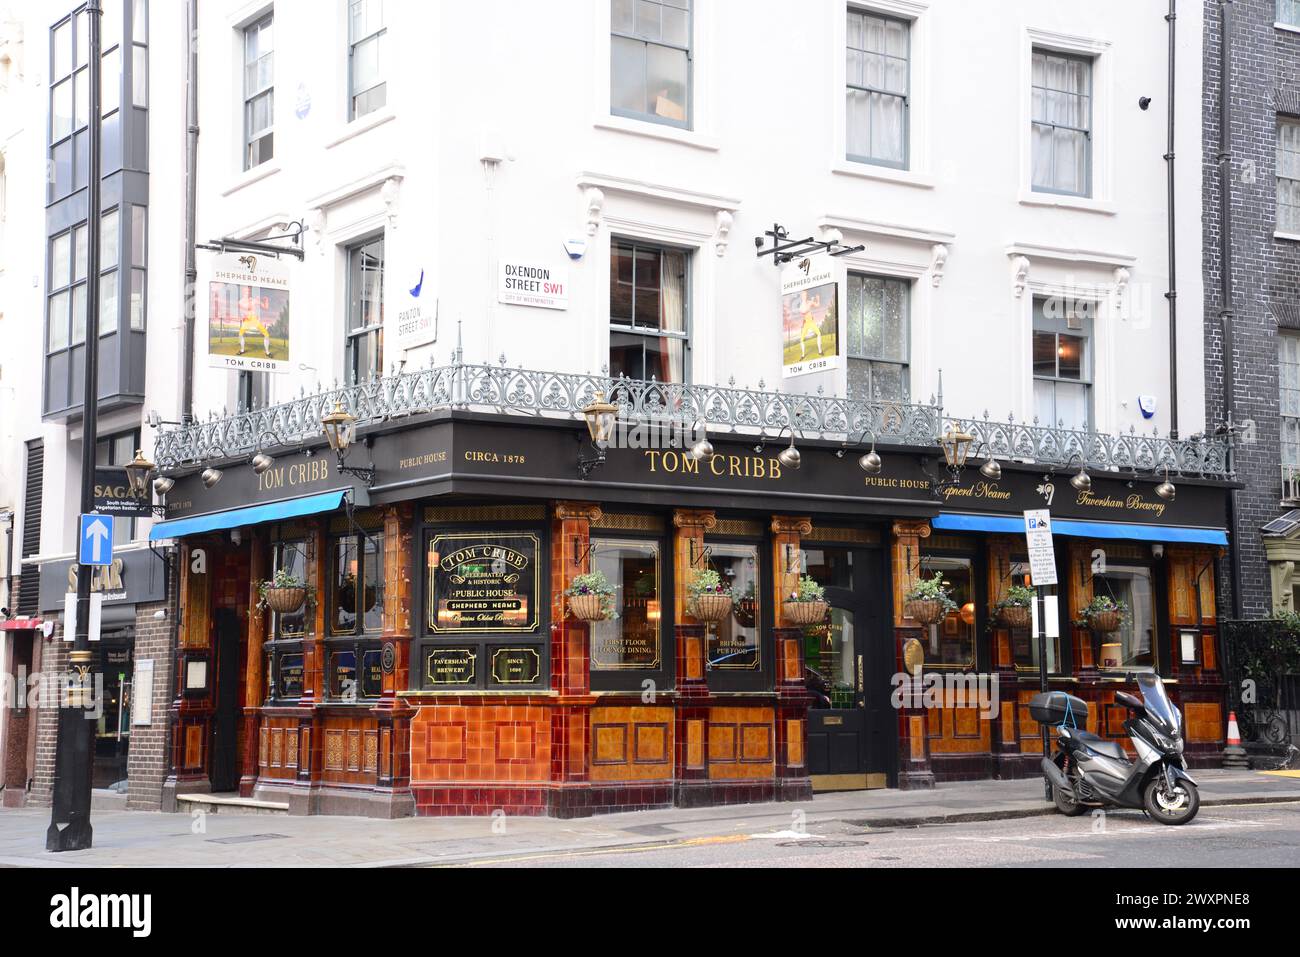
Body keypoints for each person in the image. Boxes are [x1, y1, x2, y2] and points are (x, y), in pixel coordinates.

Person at [797, 289, 823, 359]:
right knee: (801, 339)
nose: (805, 296)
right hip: (806, 323)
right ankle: (802, 355)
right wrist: (810, 303)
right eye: (803, 295)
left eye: (806, 294)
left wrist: (818, 299)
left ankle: (820, 351)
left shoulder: (809, 302)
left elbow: (817, 305)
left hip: (811, 322)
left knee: (819, 334)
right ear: (802, 296)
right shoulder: (801, 306)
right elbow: (803, 311)